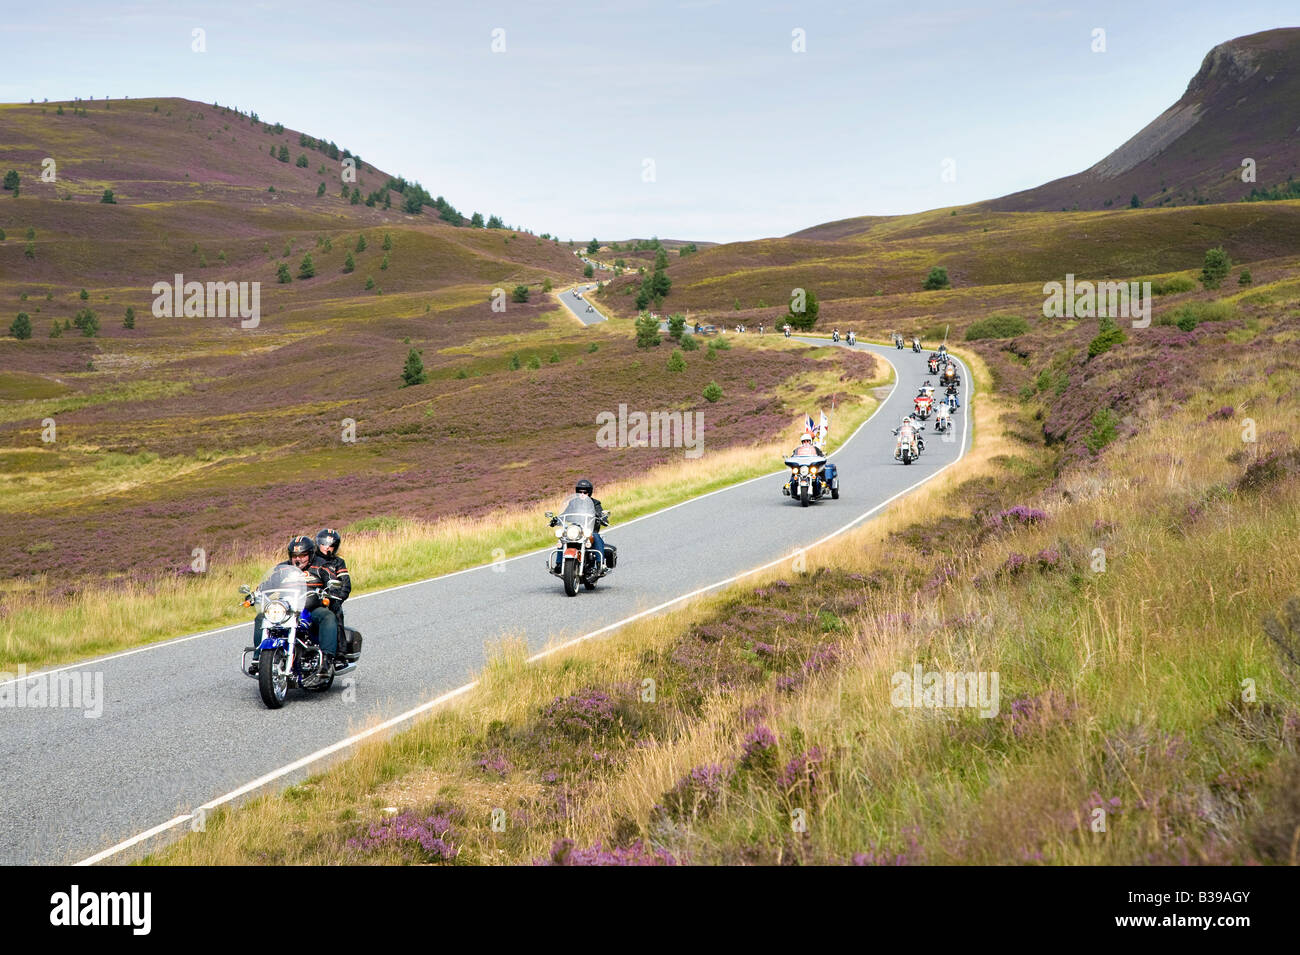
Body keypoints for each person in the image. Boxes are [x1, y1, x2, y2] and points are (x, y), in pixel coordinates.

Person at [251, 536, 336, 676]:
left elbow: (332, 582)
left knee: (328, 616)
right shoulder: (282, 569)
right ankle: (259, 658)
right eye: (294, 555)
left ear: (310, 554)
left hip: (310, 608)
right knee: (261, 617)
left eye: (303, 555)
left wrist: (330, 592)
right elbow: (269, 585)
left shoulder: (321, 565)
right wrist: (256, 594)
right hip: (286, 609)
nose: (298, 559)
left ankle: (327, 659)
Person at [554, 478, 616, 568]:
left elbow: (600, 512)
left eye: (585, 492)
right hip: (576, 530)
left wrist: (602, 517)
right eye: (580, 492)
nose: (582, 494)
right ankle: (559, 564)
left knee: (596, 537)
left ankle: (600, 564)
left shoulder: (595, 503)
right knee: (563, 537)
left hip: (589, 530)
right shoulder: (573, 502)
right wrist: (557, 520)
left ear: (589, 492)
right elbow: (565, 513)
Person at [313, 527, 351, 657]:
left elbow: (346, 584)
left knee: (336, 612)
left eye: (331, 545)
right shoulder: (310, 560)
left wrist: (338, 598)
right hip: (310, 598)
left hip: (329, 598)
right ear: (318, 544)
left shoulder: (338, 562)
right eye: (323, 544)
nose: (326, 548)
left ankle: (340, 651)